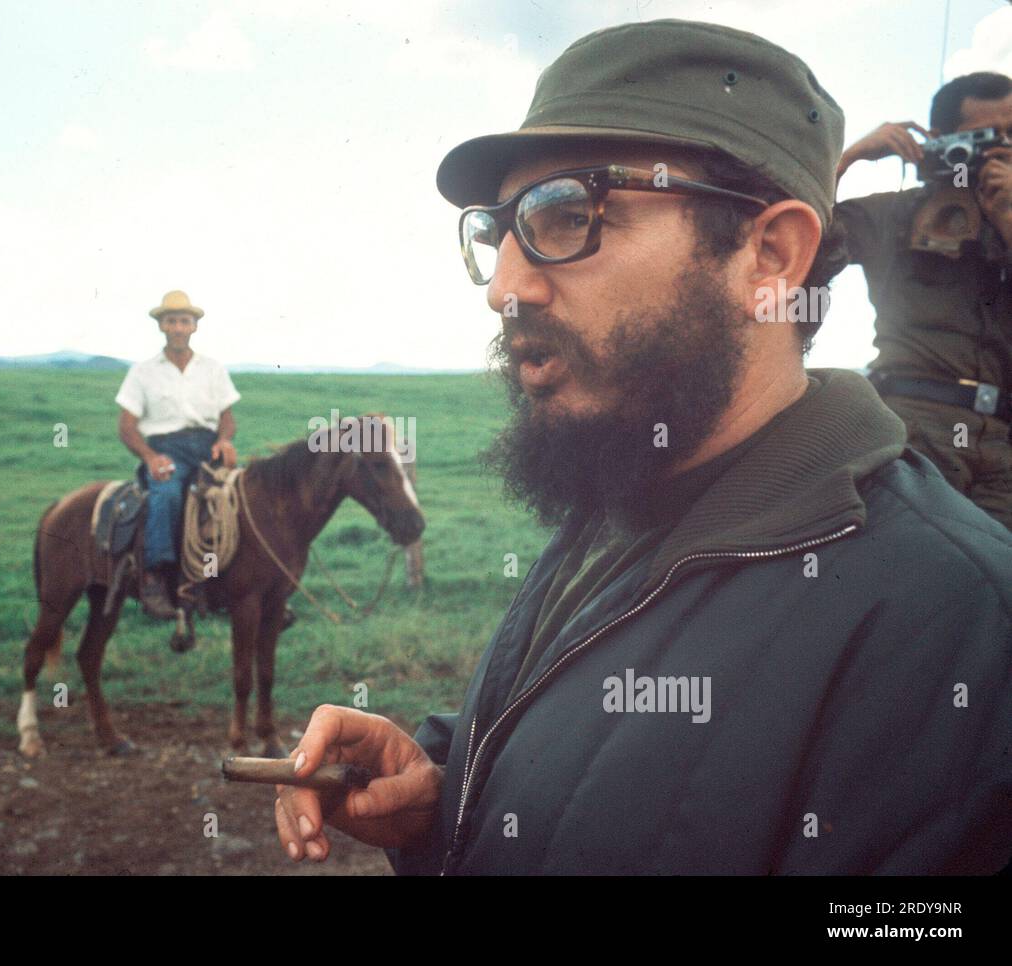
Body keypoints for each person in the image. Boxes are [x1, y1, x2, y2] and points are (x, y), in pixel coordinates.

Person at [271, 20, 1012, 874]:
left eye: (567, 213)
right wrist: (445, 788)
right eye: (498, 232)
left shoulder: (955, 628)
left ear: (770, 255)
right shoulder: (628, 493)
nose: (507, 288)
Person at [836, 72, 1012, 529]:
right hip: (912, 429)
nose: (1002, 149)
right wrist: (848, 158)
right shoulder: (895, 215)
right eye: (988, 137)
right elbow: (786, 239)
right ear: (940, 142)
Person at [115, 290, 240, 618]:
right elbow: (127, 426)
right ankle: (155, 577)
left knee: (235, 497)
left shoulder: (213, 369)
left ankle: (226, 579)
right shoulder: (142, 372)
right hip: (166, 448)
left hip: (207, 445)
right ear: (161, 326)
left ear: (194, 326)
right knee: (168, 494)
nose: (178, 327)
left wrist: (224, 441)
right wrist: (150, 457)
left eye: (185, 321)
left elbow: (227, 418)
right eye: (171, 321)